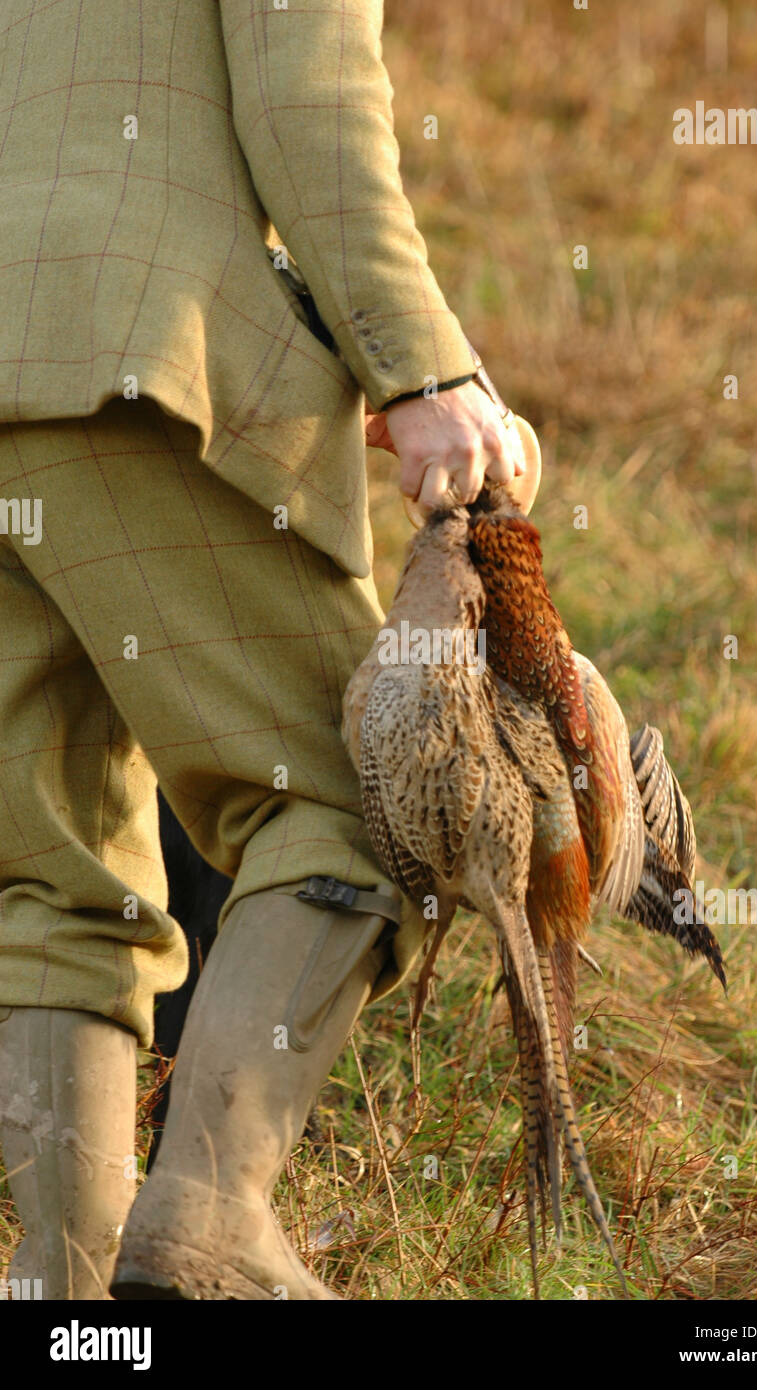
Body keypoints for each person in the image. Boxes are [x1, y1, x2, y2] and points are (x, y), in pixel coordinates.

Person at [0, 0, 524, 1299]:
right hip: (132, 349)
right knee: (379, 792)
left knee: (55, 890)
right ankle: (214, 1214)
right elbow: (309, 101)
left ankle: (69, 1306)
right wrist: (420, 371)